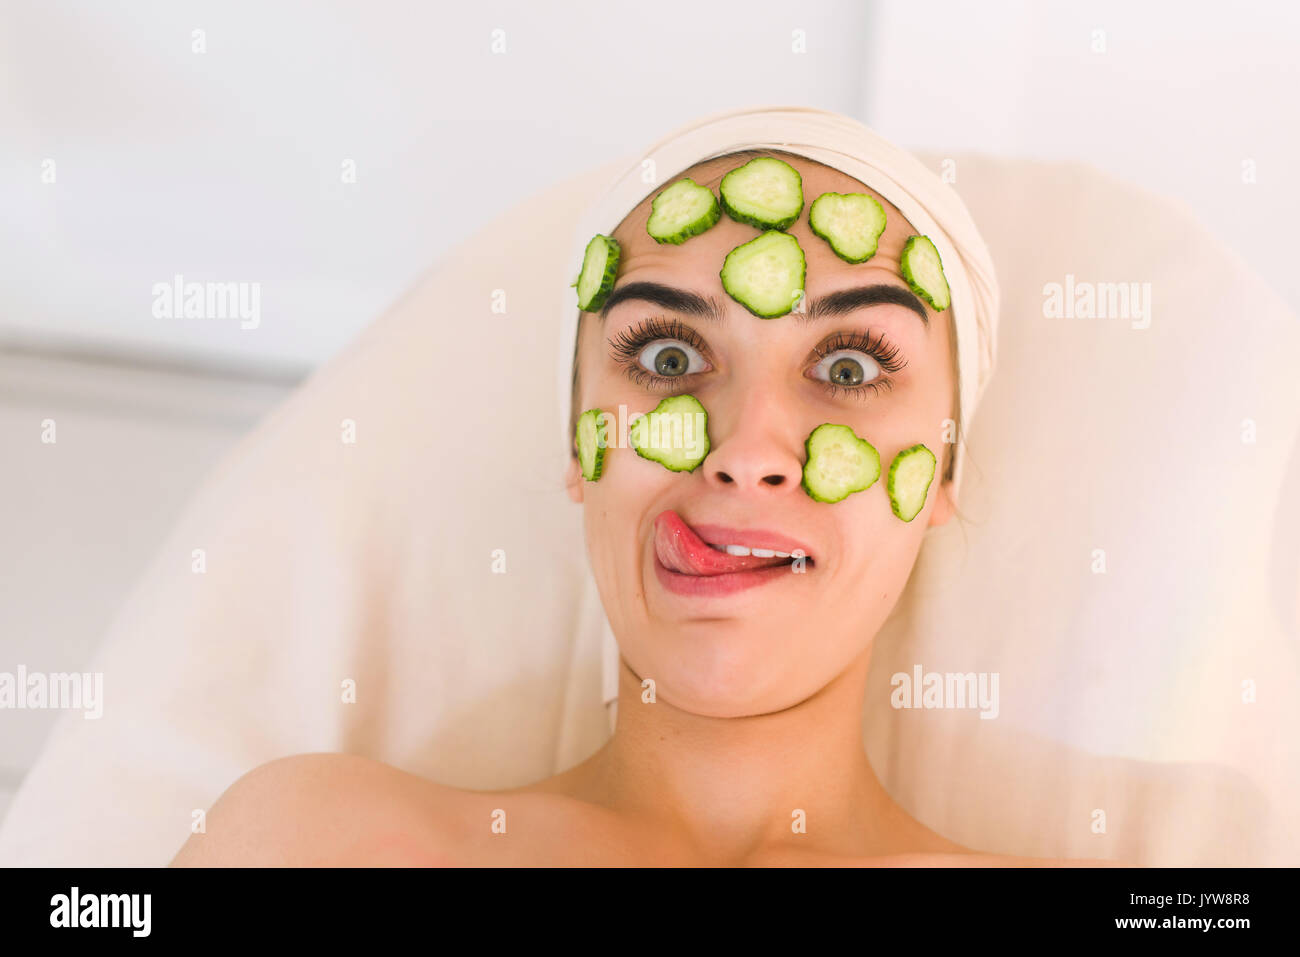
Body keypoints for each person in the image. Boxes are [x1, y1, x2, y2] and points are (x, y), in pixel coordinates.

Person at [172, 141, 1113, 867]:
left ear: (941, 475)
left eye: (848, 367)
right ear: (580, 442)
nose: (746, 455)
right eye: (668, 358)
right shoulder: (313, 846)